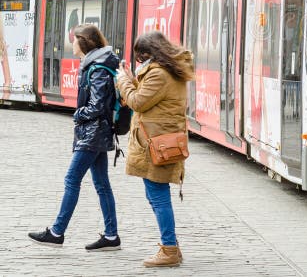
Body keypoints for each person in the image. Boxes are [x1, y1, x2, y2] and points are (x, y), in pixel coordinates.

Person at [28, 24, 121, 250]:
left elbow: (97, 104)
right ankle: (111, 236)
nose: (72, 43)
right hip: (95, 132)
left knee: (72, 180)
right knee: (101, 184)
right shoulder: (95, 64)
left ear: (84, 42)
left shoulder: (97, 68)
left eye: (74, 39)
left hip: (92, 133)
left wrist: (79, 114)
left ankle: (57, 232)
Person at [116, 30, 194, 268]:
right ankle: (172, 248)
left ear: (151, 53)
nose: (140, 62)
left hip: (156, 143)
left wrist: (122, 81)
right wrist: (132, 79)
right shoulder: (166, 71)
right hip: (158, 139)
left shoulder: (159, 74)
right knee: (155, 195)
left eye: (141, 57)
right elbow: (146, 97)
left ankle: (169, 249)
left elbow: (138, 101)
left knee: (158, 197)